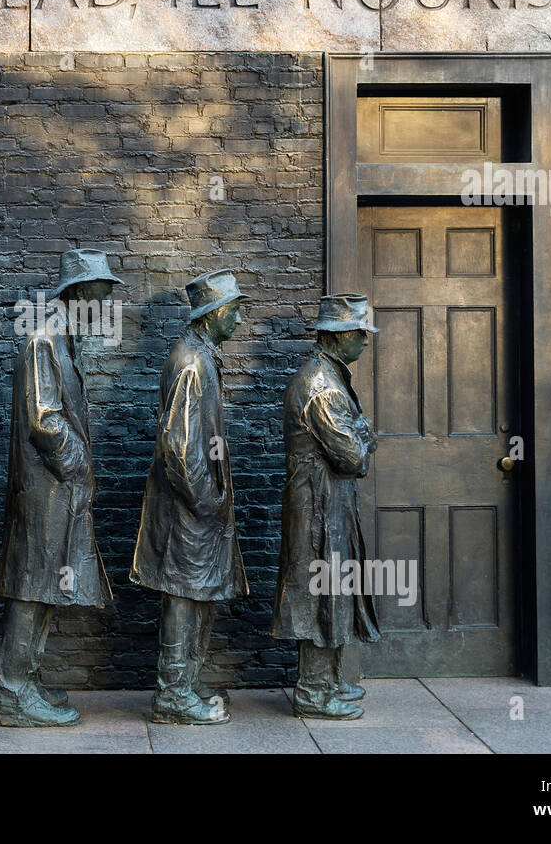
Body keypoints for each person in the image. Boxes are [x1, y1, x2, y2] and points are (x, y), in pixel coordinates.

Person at [0, 248, 122, 727]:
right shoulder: (43, 339)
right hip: (44, 491)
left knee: (45, 586)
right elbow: (44, 420)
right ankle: (12, 693)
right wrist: (78, 466)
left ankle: (26, 678)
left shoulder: (63, 337)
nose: (108, 303)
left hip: (58, 490)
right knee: (32, 587)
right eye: (103, 293)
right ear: (79, 293)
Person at [131, 269, 249, 725]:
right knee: (183, 593)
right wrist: (205, 501)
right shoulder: (192, 362)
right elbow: (178, 447)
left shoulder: (202, 356)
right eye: (235, 310)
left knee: (198, 591)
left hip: (200, 504)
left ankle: (187, 681)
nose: (239, 320)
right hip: (189, 507)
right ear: (215, 313)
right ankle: (173, 694)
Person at [271, 293, 381, 720]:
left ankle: (331, 680)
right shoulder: (320, 385)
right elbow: (354, 456)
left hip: (331, 502)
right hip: (319, 507)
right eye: (360, 334)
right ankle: (314, 691)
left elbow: (356, 446)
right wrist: (364, 435)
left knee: (336, 590)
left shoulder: (332, 376)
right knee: (321, 592)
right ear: (340, 336)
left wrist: (361, 436)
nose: (365, 342)